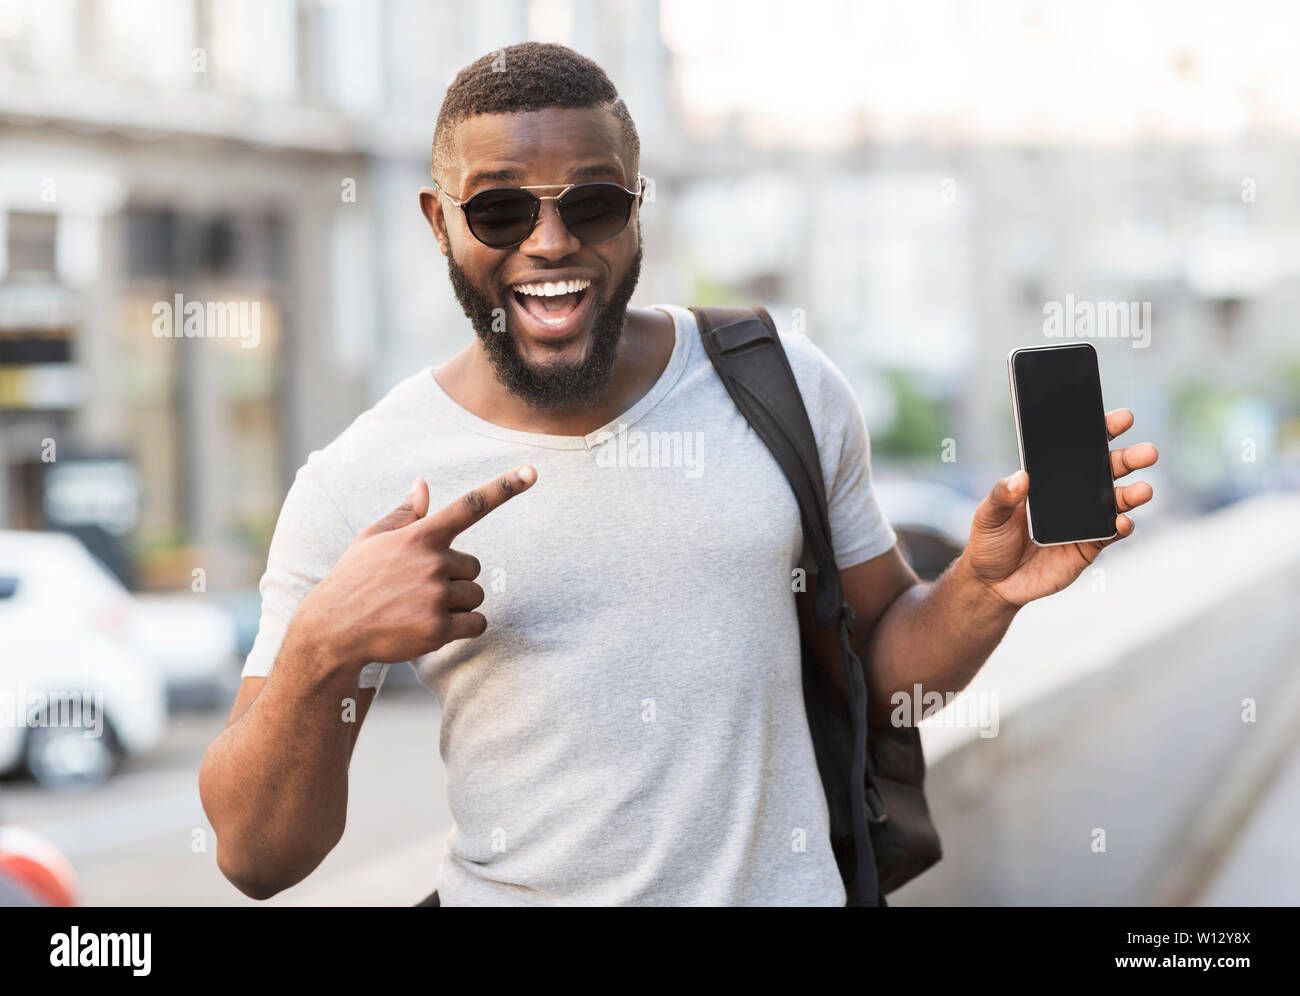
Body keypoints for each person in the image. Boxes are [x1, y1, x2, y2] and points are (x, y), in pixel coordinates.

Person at [198, 42, 1158, 906]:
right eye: (498, 208)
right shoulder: (361, 478)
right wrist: (325, 645)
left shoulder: (781, 383)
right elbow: (256, 857)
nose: (549, 241)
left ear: (637, 209)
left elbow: (884, 677)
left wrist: (983, 590)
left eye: (592, 202)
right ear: (438, 222)